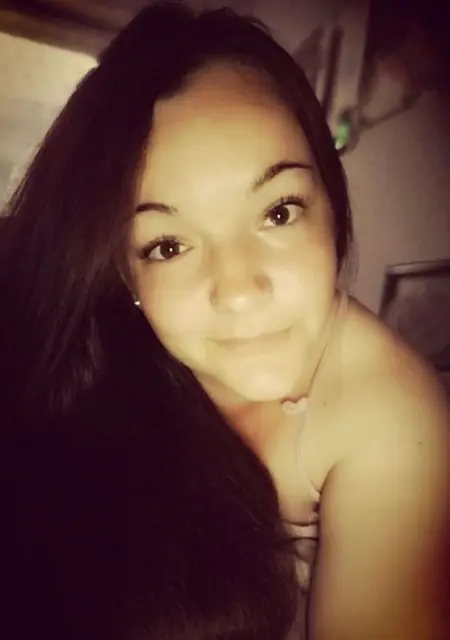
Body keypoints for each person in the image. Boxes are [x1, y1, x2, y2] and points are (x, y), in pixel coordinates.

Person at [0, 2, 448, 639]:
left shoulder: (392, 422)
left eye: (278, 212)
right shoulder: (83, 358)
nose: (239, 292)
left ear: (331, 203)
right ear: (125, 272)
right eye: (168, 246)